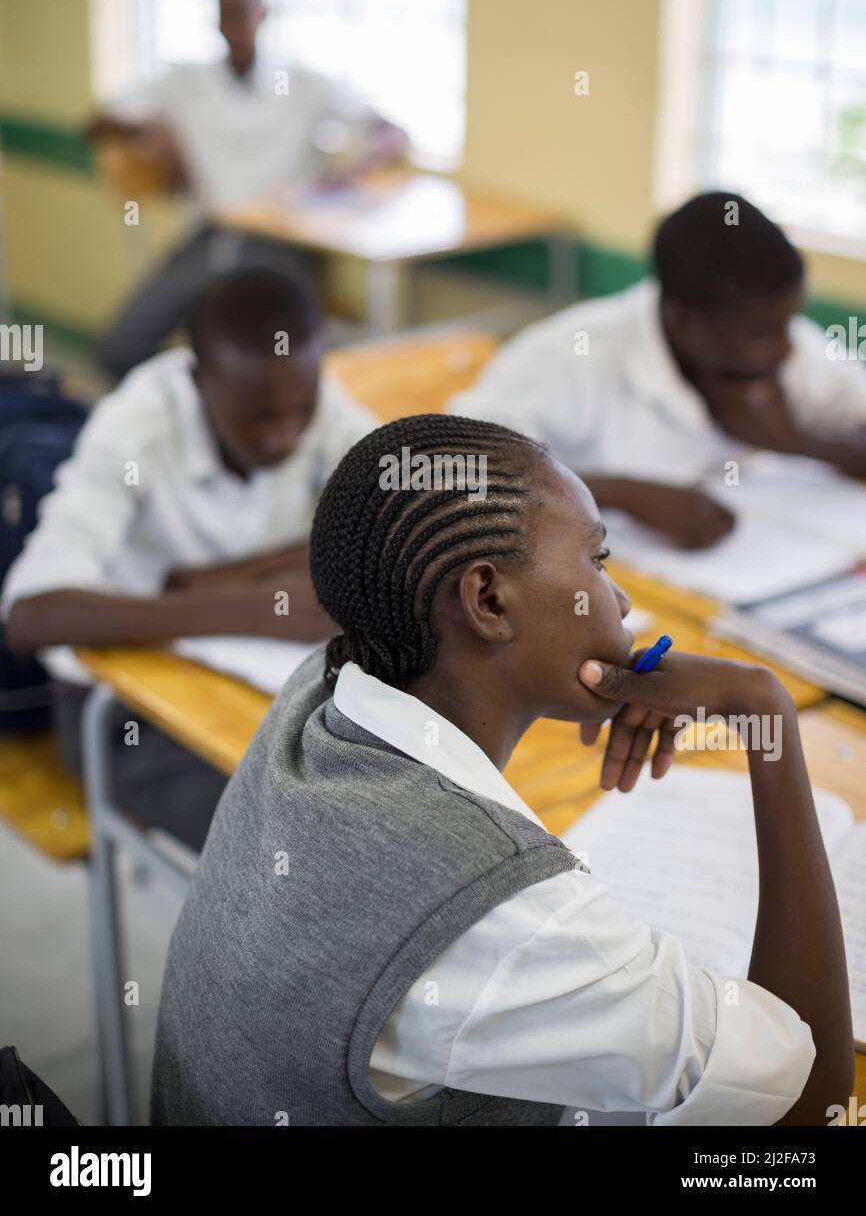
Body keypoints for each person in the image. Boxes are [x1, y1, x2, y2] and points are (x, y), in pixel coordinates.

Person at [150, 414, 851, 1125]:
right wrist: (766, 716)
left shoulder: (323, 688)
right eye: (598, 562)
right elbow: (809, 1104)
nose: (624, 601)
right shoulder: (499, 918)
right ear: (487, 600)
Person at [1, 268, 376, 851]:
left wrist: (199, 585)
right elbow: (30, 615)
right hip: (120, 716)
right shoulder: (134, 432)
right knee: (305, 842)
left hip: (260, 691)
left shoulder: (308, 398)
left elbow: (396, 512)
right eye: (259, 418)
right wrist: (252, 608)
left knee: (393, 797)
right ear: (199, 381)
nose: (284, 437)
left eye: (300, 412)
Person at [452, 193, 866, 550]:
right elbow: (452, 480)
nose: (783, 349)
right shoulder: (566, 358)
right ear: (683, 319)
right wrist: (618, 493)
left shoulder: (783, 344)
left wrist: (792, 440)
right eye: (759, 335)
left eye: (789, 323)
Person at [88, 0, 409, 379]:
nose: (236, 25)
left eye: (244, 12)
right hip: (210, 239)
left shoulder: (303, 83)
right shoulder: (184, 82)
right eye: (226, 14)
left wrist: (352, 169)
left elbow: (392, 133)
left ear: (264, 15)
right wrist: (159, 135)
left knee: (273, 362)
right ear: (216, 21)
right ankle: (195, 407)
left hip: (280, 245)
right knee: (120, 346)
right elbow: (98, 123)